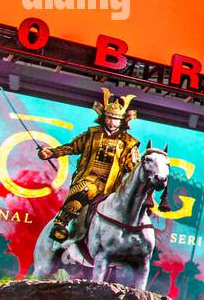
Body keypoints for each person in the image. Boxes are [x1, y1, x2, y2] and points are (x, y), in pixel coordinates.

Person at [37, 88, 141, 243]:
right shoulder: (92, 134)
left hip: (113, 185)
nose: (112, 122)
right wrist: (51, 153)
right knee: (84, 190)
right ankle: (61, 224)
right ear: (104, 117)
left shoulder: (129, 142)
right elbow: (72, 147)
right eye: (110, 118)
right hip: (90, 178)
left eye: (116, 119)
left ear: (122, 121)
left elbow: (132, 167)